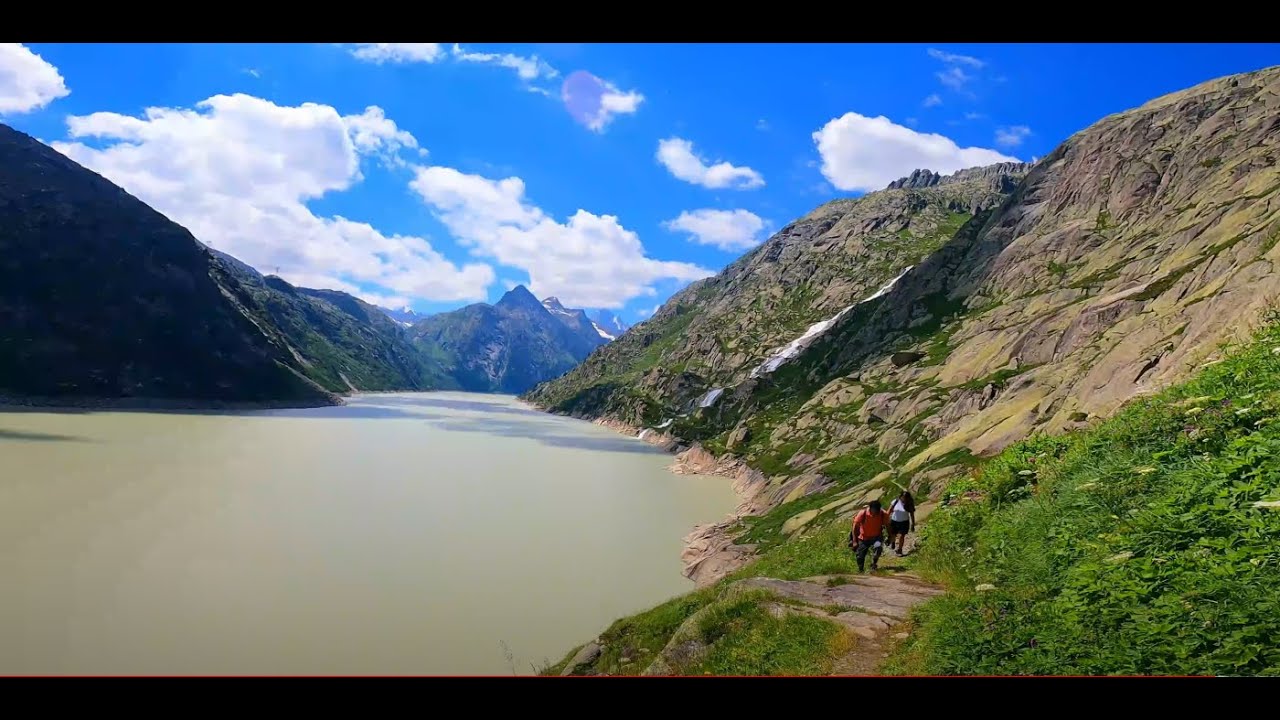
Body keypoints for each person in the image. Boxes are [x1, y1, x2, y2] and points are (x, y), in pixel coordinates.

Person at [849, 499, 891, 573]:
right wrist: (854, 541)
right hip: (863, 538)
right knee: (860, 555)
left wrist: (889, 537)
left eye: (877, 511)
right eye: (874, 511)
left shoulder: (883, 514)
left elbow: (888, 526)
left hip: (877, 537)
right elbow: (854, 527)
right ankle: (860, 570)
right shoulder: (863, 513)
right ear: (870, 508)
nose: (875, 513)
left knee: (878, 551)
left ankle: (874, 564)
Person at [887, 490, 916, 556]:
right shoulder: (895, 501)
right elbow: (889, 511)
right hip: (894, 521)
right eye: (903, 497)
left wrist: (913, 524)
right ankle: (893, 542)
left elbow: (912, 515)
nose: (904, 498)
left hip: (904, 522)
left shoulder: (909, 504)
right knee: (893, 534)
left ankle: (899, 550)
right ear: (901, 496)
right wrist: (885, 520)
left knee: (901, 536)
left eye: (906, 497)